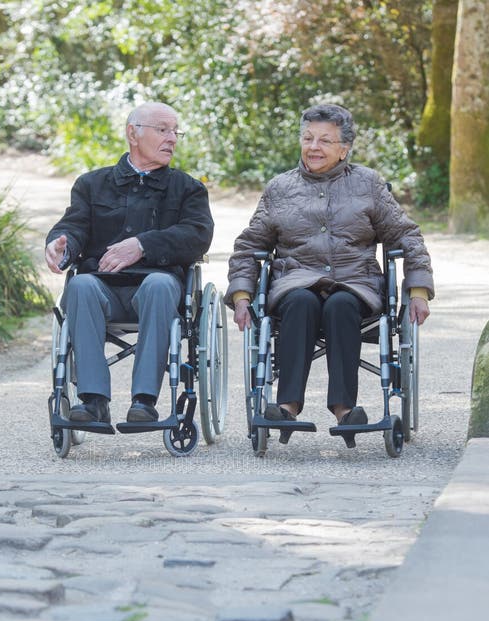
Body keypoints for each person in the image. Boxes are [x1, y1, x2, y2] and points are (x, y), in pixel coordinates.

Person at [226, 103, 434, 435]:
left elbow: (405, 234)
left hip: (355, 283)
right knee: (300, 302)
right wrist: (241, 295)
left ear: (344, 149)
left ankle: (344, 409)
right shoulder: (280, 188)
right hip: (295, 283)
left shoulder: (368, 184)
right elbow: (249, 246)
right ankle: (286, 406)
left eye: (325, 140)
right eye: (307, 138)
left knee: (340, 305)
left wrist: (418, 291)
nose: (313, 147)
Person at [45, 102, 214, 424]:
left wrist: (143, 245)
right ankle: (93, 401)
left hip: (156, 288)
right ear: (132, 134)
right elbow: (74, 226)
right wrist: (59, 246)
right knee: (80, 285)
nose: (172, 139)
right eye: (163, 130)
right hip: (103, 289)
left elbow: (197, 235)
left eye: (175, 131)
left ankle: (144, 401)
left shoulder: (187, 188)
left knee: (161, 284)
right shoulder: (92, 184)